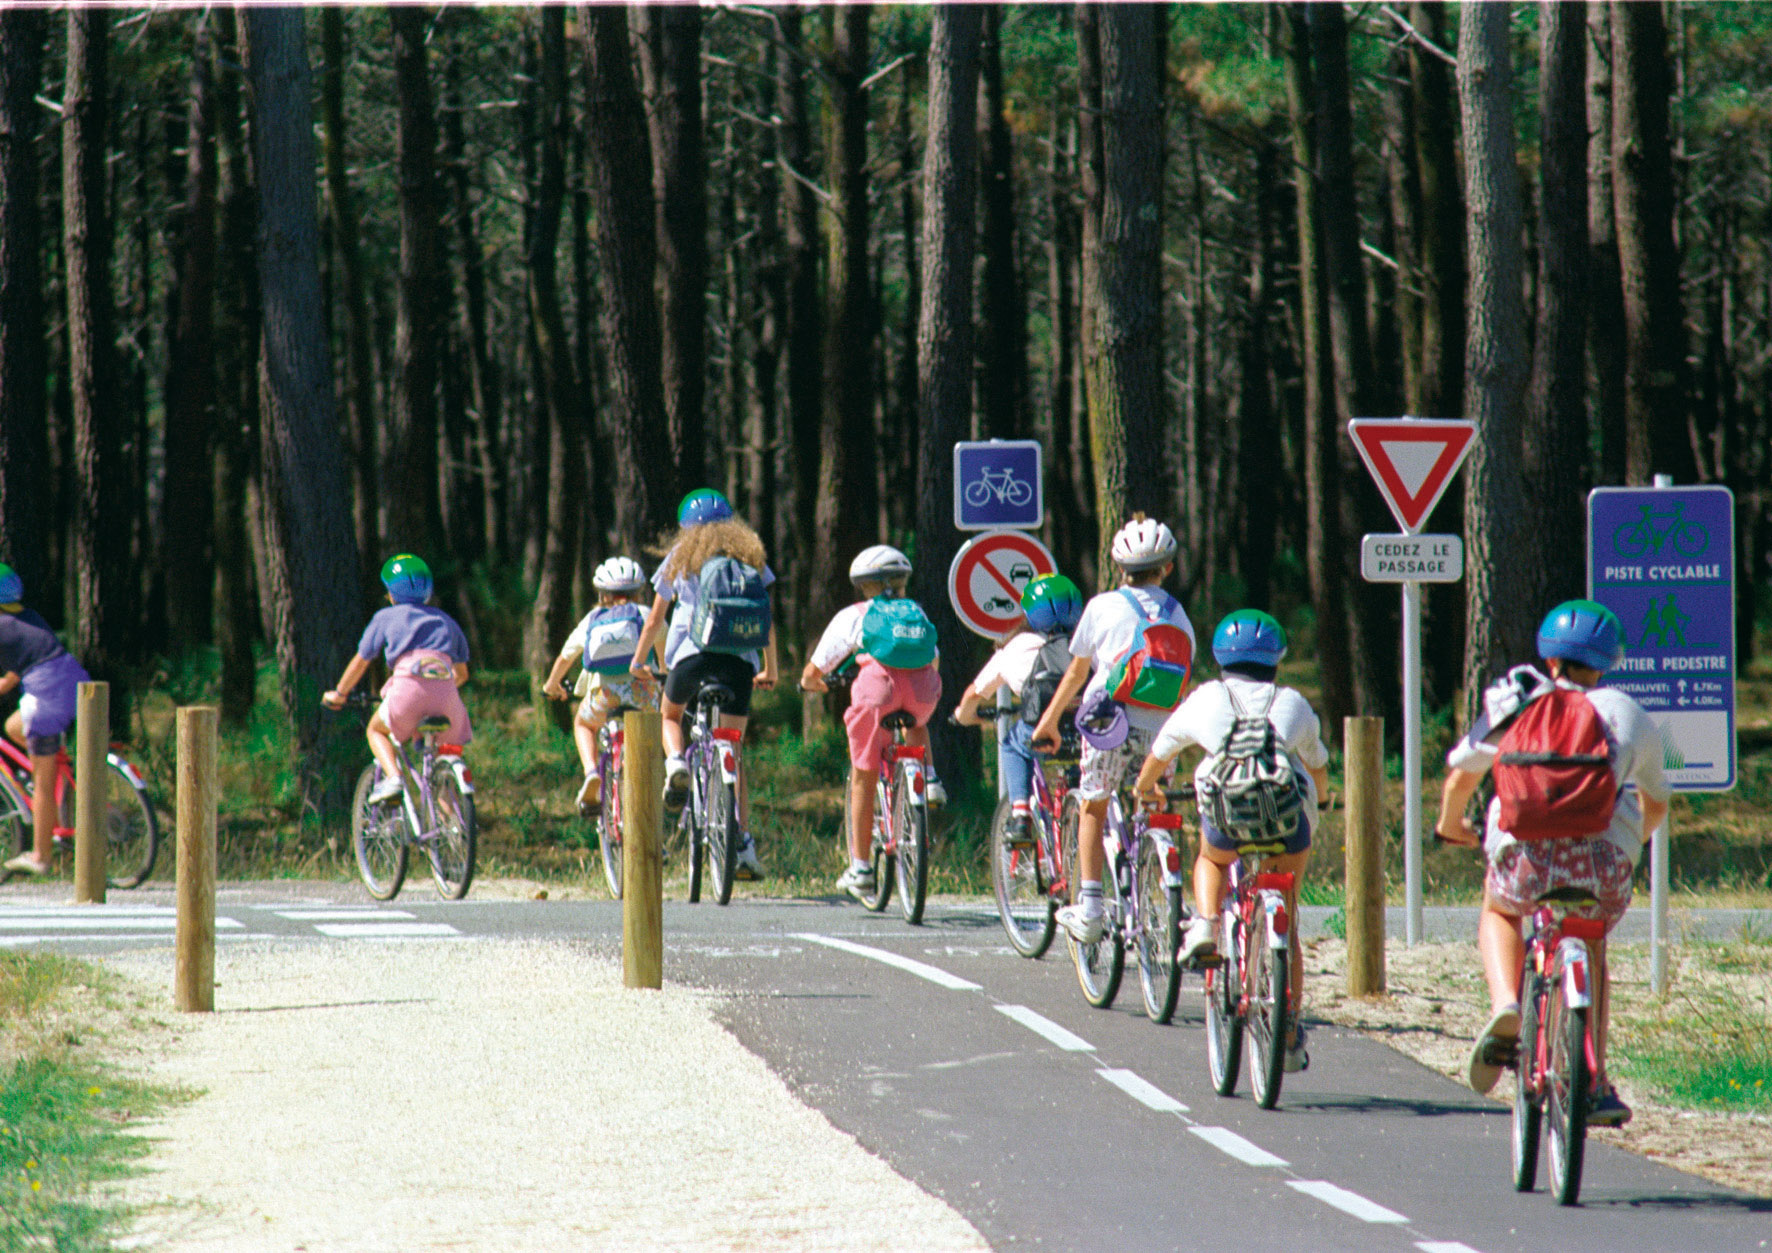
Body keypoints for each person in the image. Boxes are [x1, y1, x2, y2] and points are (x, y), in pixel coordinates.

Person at [1435, 600, 1669, 1128]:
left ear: (1549, 655)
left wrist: (1452, 826)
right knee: (1592, 943)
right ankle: (1597, 1079)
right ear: (1608, 660)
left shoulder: (1515, 698)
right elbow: (1656, 800)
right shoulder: (1627, 712)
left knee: (1498, 911)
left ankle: (1505, 1006)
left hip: (1526, 861)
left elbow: (1460, 778)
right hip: (1603, 866)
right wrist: (1634, 846)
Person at [1132, 609, 1328, 1073]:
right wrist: (1323, 798)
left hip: (1227, 818)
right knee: (1290, 913)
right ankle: (1290, 1025)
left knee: (1212, 859)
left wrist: (1146, 788)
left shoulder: (1206, 699)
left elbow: (1161, 753)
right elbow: (1317, 767)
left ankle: (1204, 924)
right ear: (1277, 658)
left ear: (1220, 657)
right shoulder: (1294, 703)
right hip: (1286, 825)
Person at [1030, 515, 1196, 945]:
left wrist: (1048, 722)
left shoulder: (1101, 606)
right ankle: (1164, 886)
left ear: (1119, 568)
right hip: (1163, 733)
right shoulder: (1181, 618)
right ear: (1168, 568)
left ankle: (1089, 908)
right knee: (1152, 800)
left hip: (1110, 726)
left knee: (1094, 805)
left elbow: (1076, 674)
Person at [630, 489, 777, 879]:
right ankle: (742, 843)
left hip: (689, 660)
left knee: (670, 715)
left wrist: (639, 660)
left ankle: (677, 761)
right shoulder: (749, 559)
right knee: (733, 746)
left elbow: (654, 620)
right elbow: (767, 619)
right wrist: (770, 668)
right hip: (739, 666)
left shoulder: (678, 560)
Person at [800, 545, 945, 900]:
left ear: (863, 584)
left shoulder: (856, 614)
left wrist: (812, 683)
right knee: (917, 726)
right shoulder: (917, 613)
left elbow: (815, 669)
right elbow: (933, 658)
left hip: (878, 690)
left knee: (864, 772)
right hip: (925, 691)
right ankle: (929, 777)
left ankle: (862, 869)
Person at [322, 555, 472, 803]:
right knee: (438, 770)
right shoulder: (447, 622)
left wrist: (340, 693)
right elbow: (462, 674)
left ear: (391, 594)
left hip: (406, 696)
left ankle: (393, 778)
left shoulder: (385, 618)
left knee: (375, 730)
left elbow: (362, 661)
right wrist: (435, 686)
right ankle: (455, 832)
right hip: (447, 702)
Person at [953, 574, 1085, 842]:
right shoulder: (1086, 643)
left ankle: (1020, 815)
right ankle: (1076, 788)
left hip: (1041, 736)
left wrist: (965, 717)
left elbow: (973, 695)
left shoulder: (1015, 647)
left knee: (1012, 742)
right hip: (1084, 733)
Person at [542, 556, 659, 816]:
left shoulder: (593, 618)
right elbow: (667, 652)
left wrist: (552, 684)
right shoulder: (646, 615)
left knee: (582, 723)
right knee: (652, 745)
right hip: (643, 696)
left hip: (605, 697)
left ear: (602, 593)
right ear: (639, 591)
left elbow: (565, 656)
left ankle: (592, 772)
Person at [0, 564, 92, 878]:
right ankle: (59, 778)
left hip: (46, 696)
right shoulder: (27, 618)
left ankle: (41, 855)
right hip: (71, 682)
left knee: (42, 780)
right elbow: (22, 663)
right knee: (13, 727)